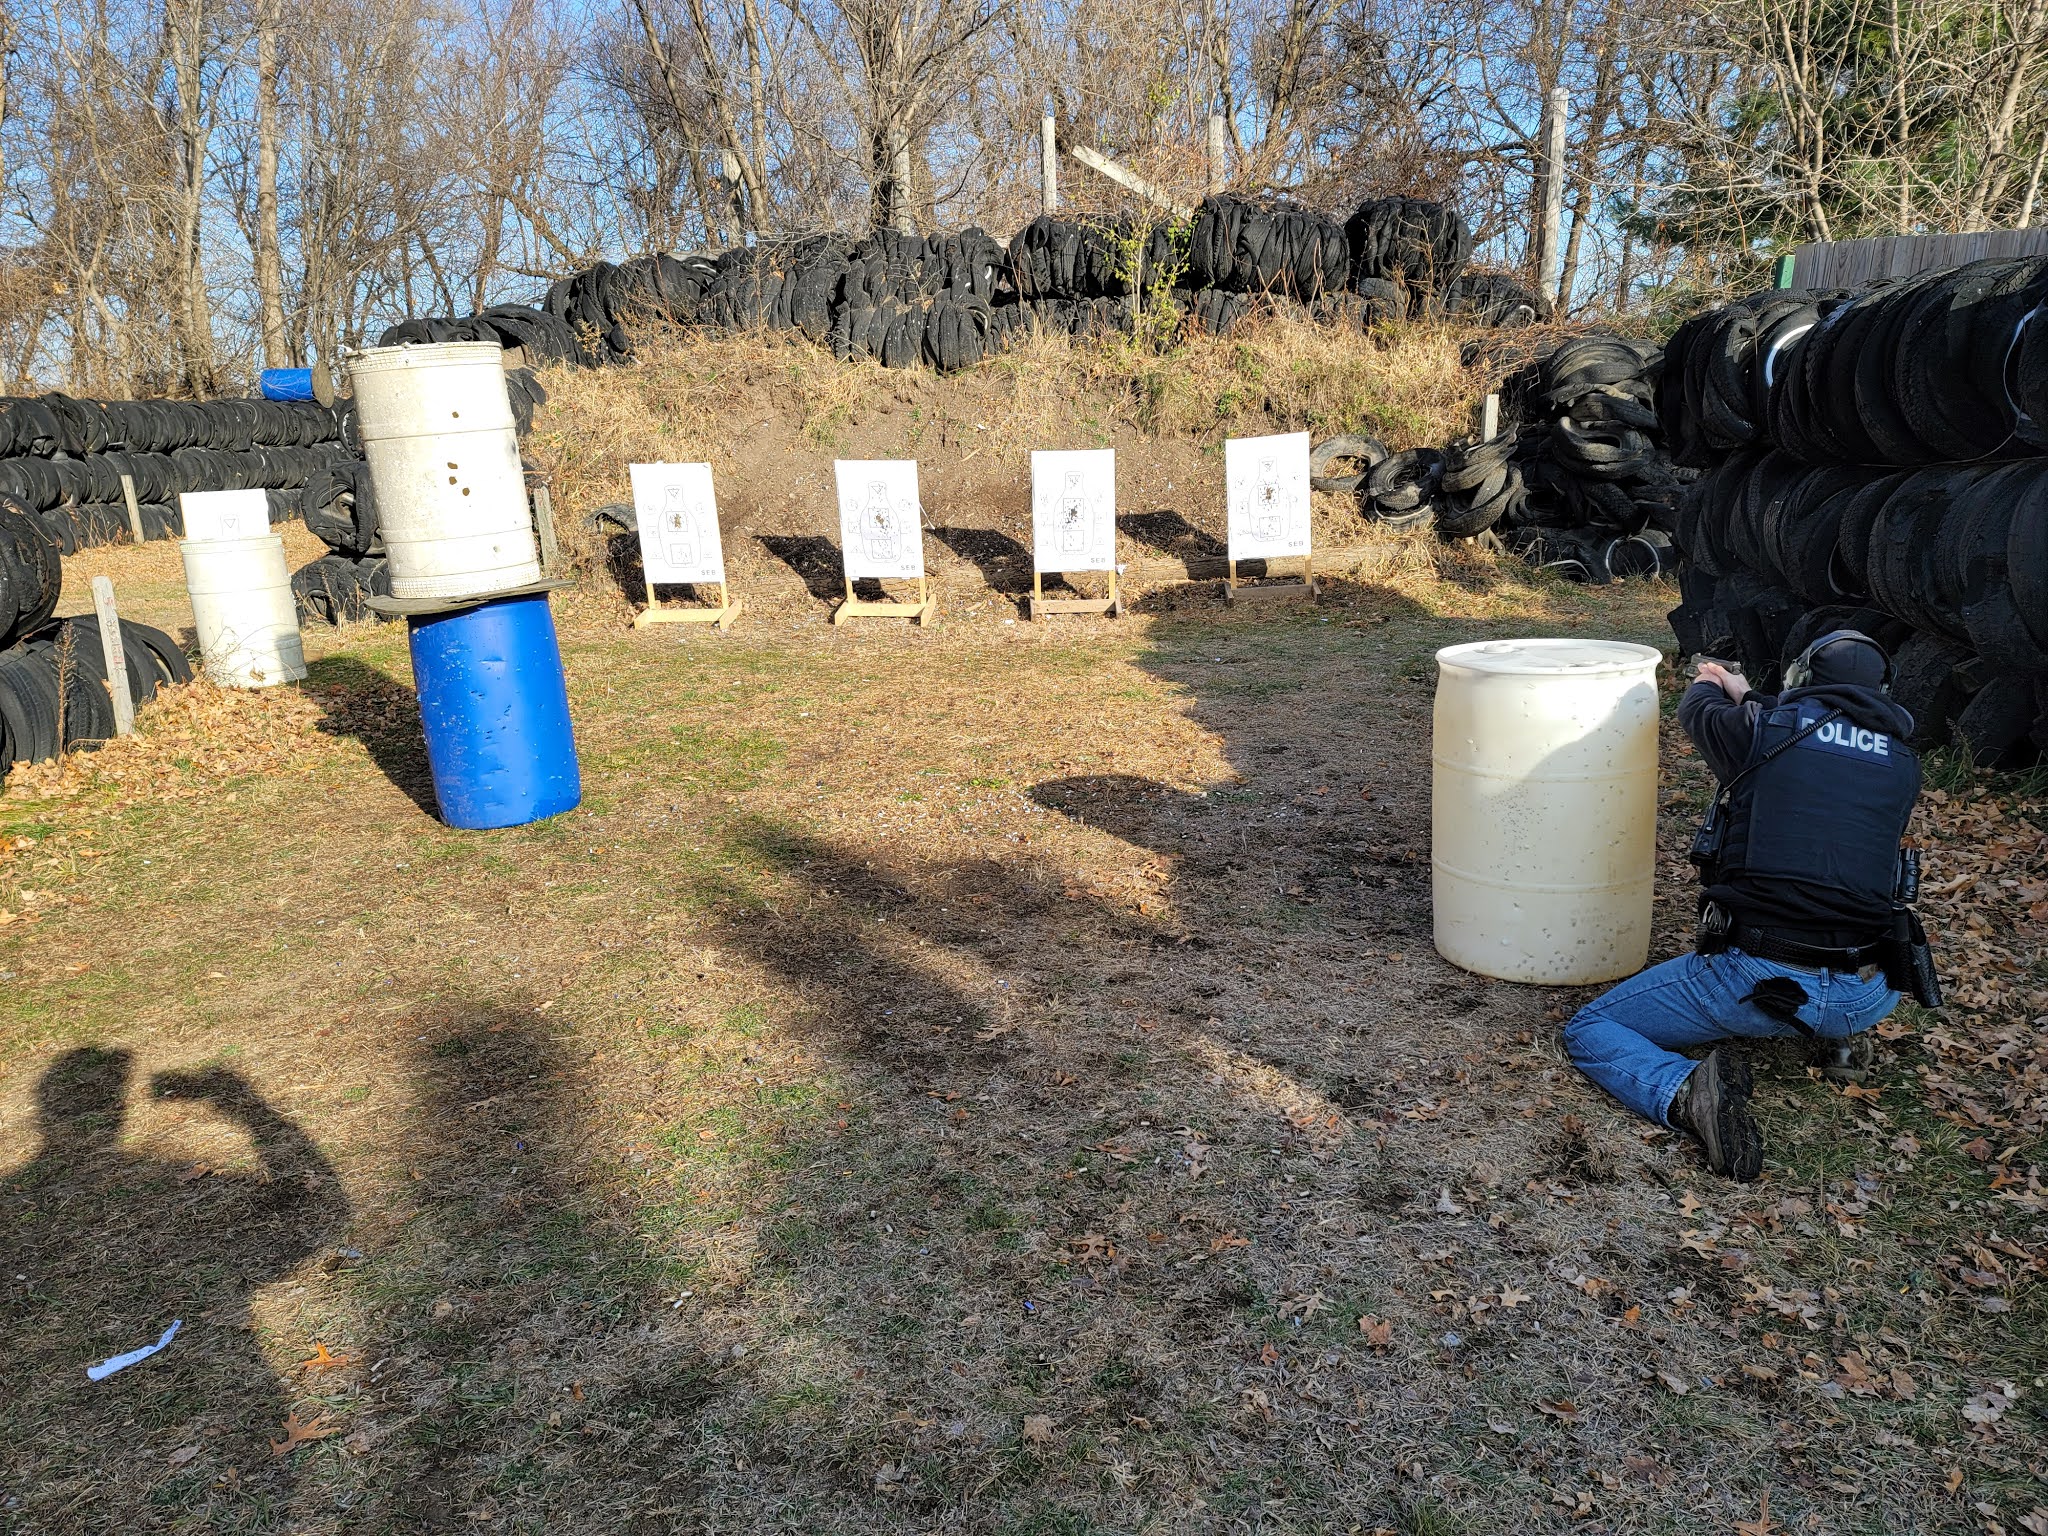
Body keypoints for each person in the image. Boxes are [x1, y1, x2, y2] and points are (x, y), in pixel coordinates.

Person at [1563, 630, 1937, 1180]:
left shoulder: (1762, 731)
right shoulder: (1904, 763)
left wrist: (1712, 682)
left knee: (1590, 1029)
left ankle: (1686, 1092)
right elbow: (1827, 747)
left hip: (1758, 981)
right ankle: (1839, 1040)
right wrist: (1749, 695)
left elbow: (1699, 709)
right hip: (1872, 989)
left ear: (1802, 677)